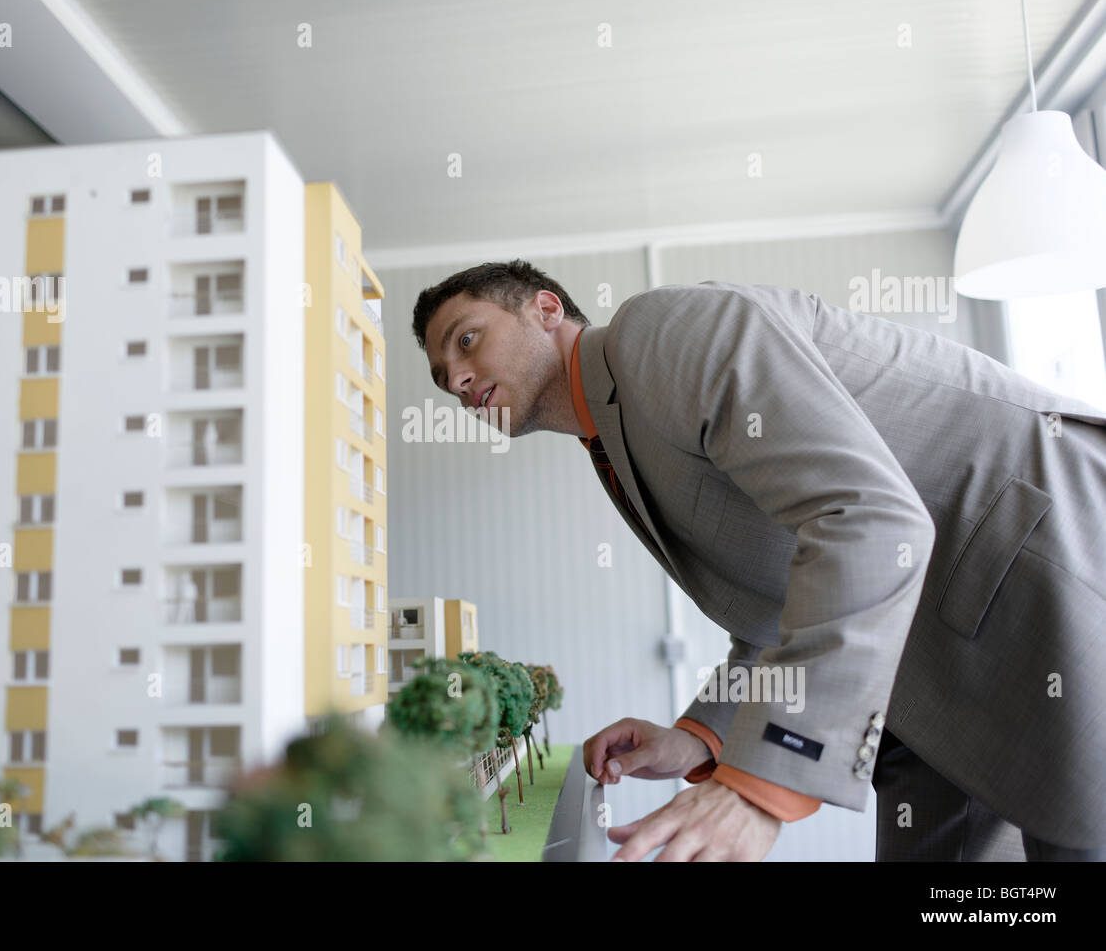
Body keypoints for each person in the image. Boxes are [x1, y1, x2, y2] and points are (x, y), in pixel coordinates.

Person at [413, 259, 1106, 861]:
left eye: (466, 341)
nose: (460, 378)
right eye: (446, 379)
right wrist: (696, 738)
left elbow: (869, 519)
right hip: (920, 680)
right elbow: (777, 611)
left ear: (545, 309)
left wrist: (760, 787)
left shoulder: (660, 331)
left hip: (1043, 575)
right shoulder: (611, 447)